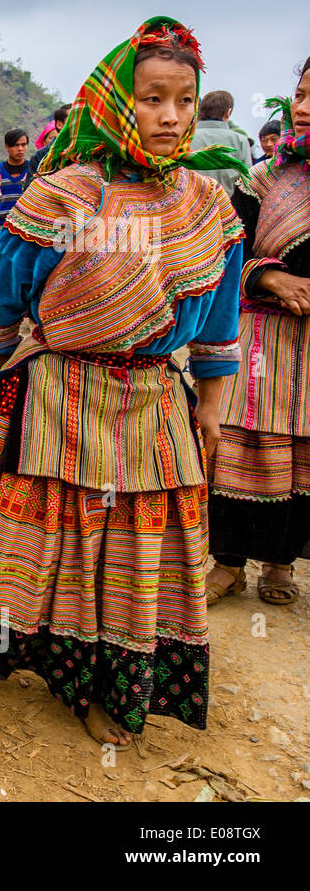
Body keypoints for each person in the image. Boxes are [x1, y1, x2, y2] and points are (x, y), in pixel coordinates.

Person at [0, 18, 246, 749]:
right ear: (113, 105)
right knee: (58, 539)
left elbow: (220, 328)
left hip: (156, 402)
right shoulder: (63, 196)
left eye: (185, 100)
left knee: (134, 548)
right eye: (152, 99)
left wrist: (212, 410)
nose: (170, 116)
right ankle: (53, 663)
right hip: (60, 397)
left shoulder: (209, 207)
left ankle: (113, 682)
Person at [207, 62, 310, 607]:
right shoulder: (264, 177)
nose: (302, 107)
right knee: (242, 448)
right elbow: (231, 249)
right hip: (263, 339)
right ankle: (227, 562)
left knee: (300, 460)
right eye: (299, 94)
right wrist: (269, 275)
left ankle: (280, 562)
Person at [191, 90, 253, 195]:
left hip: (189, 206)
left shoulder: (186, 137)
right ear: (228, 113)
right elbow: (247, 180)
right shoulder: (240, 140)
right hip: (226, 206)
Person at [0, 128, 29, 234]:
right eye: (16, 145)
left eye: (23, 145)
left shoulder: (32, 170)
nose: (20, 149)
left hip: (27, 230)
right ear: (7, 146)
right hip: (2, 230)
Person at [26, 103, 72, 182]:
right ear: (59, 124)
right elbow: (30, 190)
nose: (80, 125)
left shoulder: (88, 155)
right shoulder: (41, 156)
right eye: (74, 120)